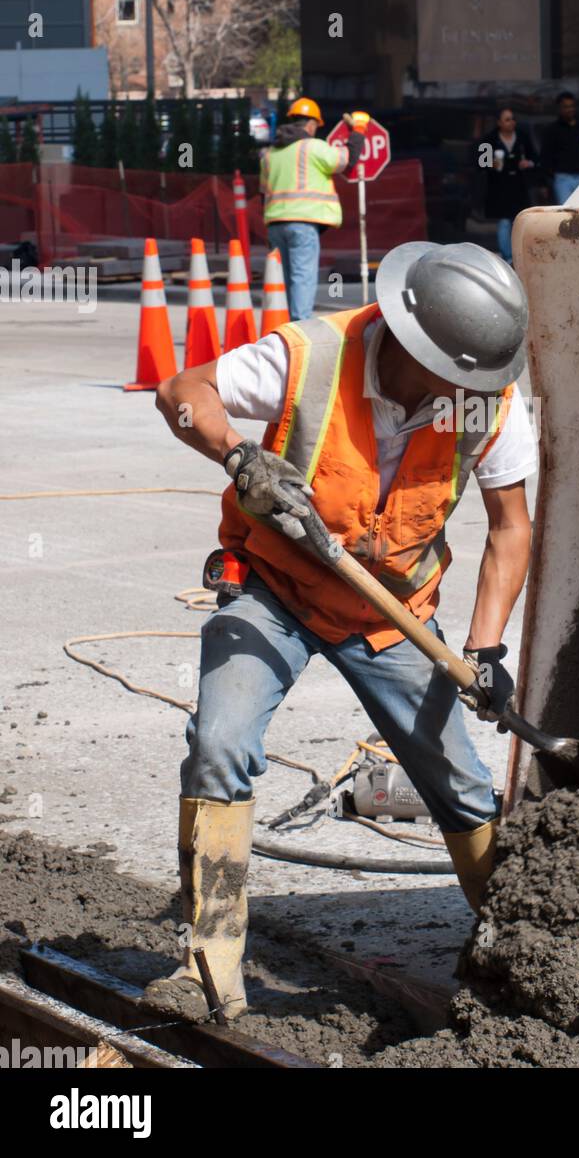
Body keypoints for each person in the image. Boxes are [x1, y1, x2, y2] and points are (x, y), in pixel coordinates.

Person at [148, 242, 538, 1021]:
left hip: (391, 616)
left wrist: (486, 648)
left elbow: (512, 529)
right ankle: (208, 965)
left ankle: (523, 956)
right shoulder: (310, 356)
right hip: (276, 589)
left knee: (460, 783)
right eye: (458, 376)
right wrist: (238, 454)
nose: (473, 392)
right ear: (412, 345)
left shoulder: (488, 401)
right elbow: (179, 391)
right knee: (221, 742)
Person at [259, 99, 365, 321]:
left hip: (275, 224)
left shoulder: (270, 154)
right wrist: (358, 131)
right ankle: (301, 328)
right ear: (311, 125)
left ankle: (289, 327)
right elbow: (347, 160)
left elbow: (263, 192)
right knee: (303, 277)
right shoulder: (313, 147)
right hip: (303, 224)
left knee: (287, 279)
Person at [483, 107, 538, 264]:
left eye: (513, 118)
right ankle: (507, 257)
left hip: (519, 185)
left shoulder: (522, 137)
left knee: (519, 219)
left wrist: (528, 163)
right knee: (504, 221)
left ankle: (520, 253)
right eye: (507, 119)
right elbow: (481, 163)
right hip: (499, 185)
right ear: (499, 122)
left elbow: (534, 157)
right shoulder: (490, 139)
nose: (511, 122)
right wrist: (491, 164)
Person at [540, 90, 579, 204]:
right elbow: (545, 156)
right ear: (559, 108)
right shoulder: (553, 130)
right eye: (566, 107)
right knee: (566, 210)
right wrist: (545, 180)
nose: (570, 109)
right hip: (562, 177)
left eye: (572, 106)